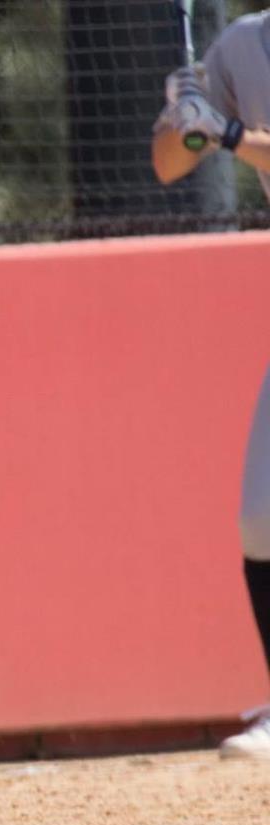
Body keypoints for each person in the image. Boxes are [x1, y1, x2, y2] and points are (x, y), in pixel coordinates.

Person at [153, 12, 270, 760]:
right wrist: (186, 119)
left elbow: (232, 141)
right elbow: (168, 164)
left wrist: (223, 133)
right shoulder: (243, 46)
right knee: (262, 519)